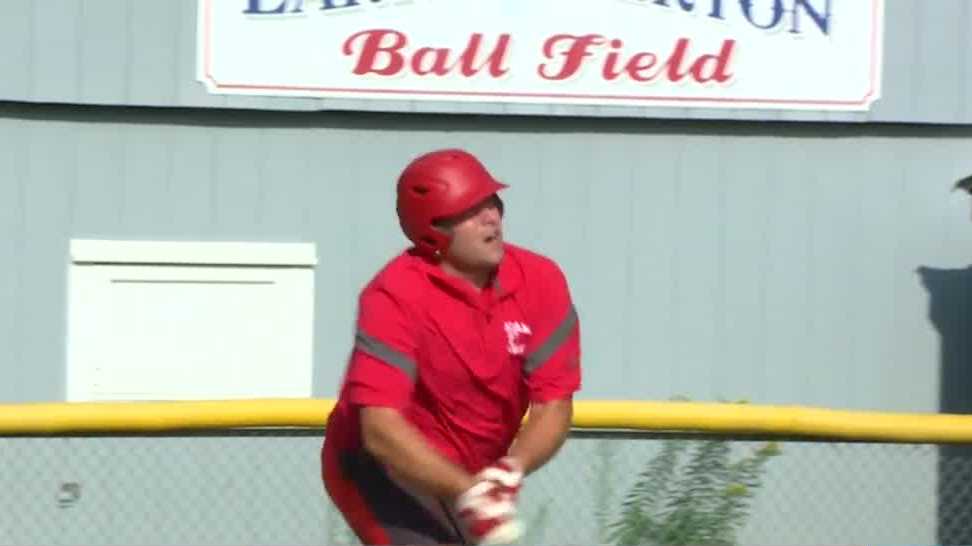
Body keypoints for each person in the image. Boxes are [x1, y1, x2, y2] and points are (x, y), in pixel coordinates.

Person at [320, 148, 582, 545]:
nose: (491, 216)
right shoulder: (393, 296)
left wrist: (511, 468)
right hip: (379, 467)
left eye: (492, 201)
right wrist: (469, 492)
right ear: (433, 232)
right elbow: (380, 430)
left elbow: (554, 405)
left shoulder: (540, 281)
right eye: (470, 209)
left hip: (471, 471)